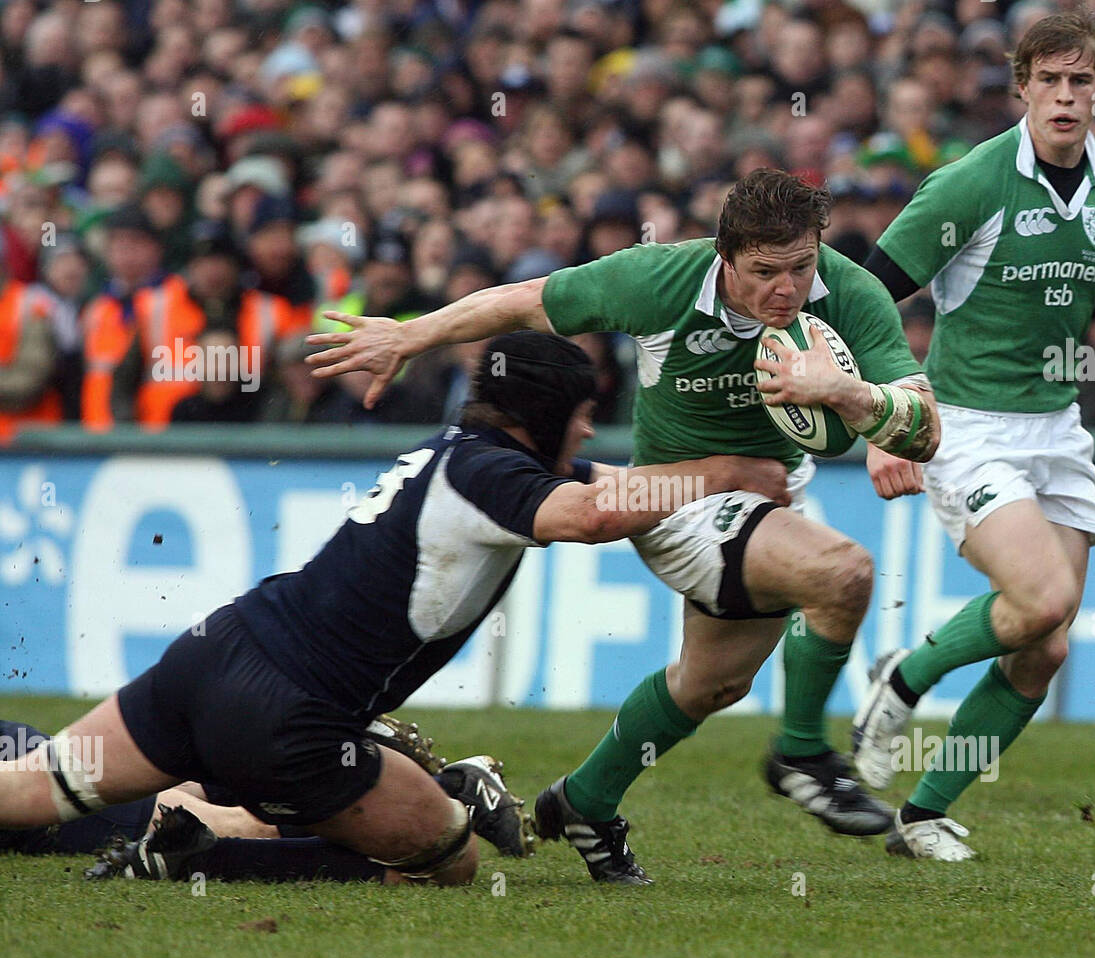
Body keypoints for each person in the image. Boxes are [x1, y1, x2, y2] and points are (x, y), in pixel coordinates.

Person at [306, 168, 940, 884]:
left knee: (708, 686)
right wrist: (411, 335)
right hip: (673, 496)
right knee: (844, 573)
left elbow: (924, 424)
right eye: (765, 272)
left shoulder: (849, 292)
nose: (787, 290)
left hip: (767, 496)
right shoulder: (659, 280)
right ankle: (801, 754)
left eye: (800, 267)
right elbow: (524, 300)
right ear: (724, 256)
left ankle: (584, 800)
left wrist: (848, 395)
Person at [0, 333, 788, 888]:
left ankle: (206, 835)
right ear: (541, 417)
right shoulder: (494, 476)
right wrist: (724, 468)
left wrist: (710, 478)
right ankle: (207, 853)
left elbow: (606, 484)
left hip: (213, 651)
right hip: (291, 719)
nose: (587, 427)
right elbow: (589, 516)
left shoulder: (464, 453)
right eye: (579, 413)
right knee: (449, 859)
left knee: (34, 788)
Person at [852, 9, 1095, 860]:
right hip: (967, 425)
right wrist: (883, 417)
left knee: (1046, 645)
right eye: (1049, 80)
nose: (1065, 96)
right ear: (1022, 85)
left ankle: (922, 814)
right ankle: (907, 675)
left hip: (1056, 429)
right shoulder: (969, 184)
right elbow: (867, 294)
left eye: (1081, 81)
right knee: (1043, 602)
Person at [0, 717, 536, 880]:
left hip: (24, 791)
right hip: (24, 757)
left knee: (206, 819)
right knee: (183, 790)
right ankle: (440, 791)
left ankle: (447, 799)